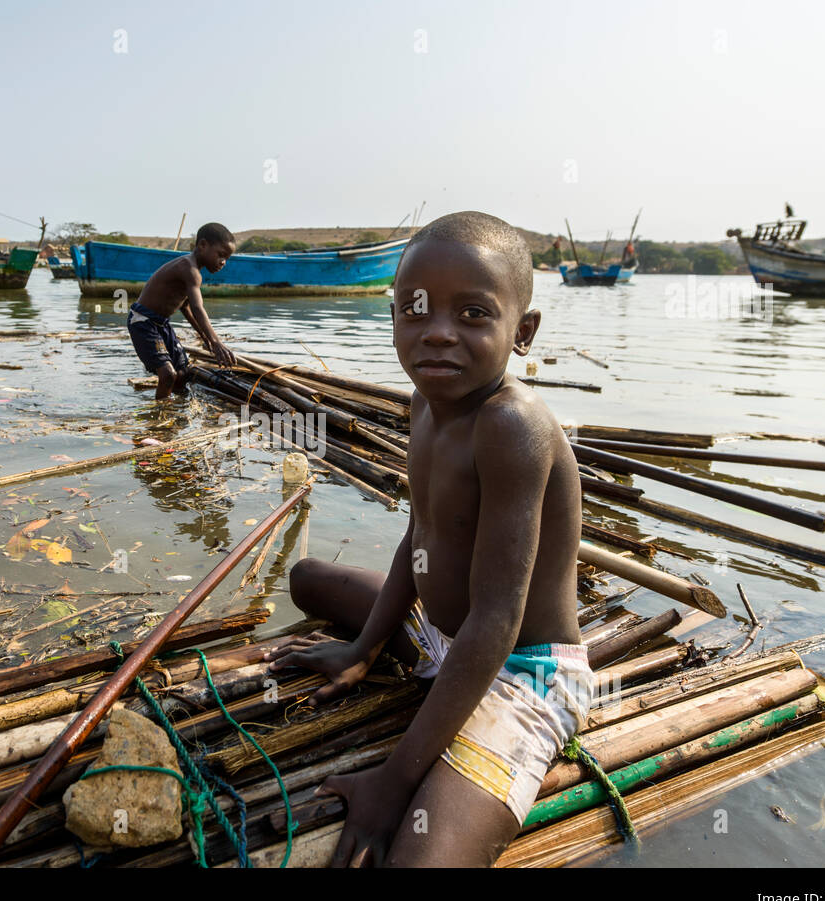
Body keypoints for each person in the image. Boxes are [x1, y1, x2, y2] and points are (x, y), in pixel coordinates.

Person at [266, 211, 593, 867]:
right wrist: (363, 647)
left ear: (522, 332)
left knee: (418, 858)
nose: (438, 332)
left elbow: (498, 619)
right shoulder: (424, 403)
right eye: (417, 310)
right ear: (394, 318)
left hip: (521, 669)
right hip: (443, 638)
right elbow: (422, 534)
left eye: (473, 314)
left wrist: (395, 782)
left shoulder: (511, 425)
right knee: (307, 580)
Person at [128, 222, 238, 400]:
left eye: (227, 258)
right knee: (168, 375)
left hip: (160, 323)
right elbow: (197, 307)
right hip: (143, 321)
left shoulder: (191, 270)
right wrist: (216, 341)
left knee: (182, 372)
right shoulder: (189, 269)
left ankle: (178, 410)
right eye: (221, 255)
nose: (223, 262)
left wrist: (204, 336)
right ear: (202, 245)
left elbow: (185, 307)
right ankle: (160, 420)